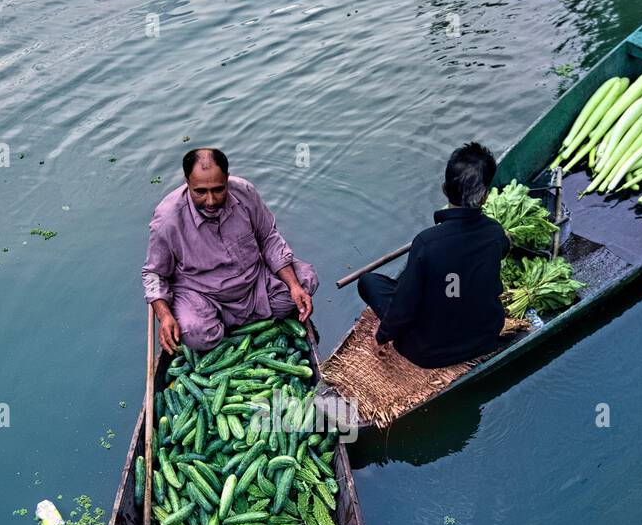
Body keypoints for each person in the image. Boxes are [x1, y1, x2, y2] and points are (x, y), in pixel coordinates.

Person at [142, 148, 318, 354]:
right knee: (195, 333)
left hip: (254, 285)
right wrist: (164, 316)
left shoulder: (245, 193)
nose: (210, 201)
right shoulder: (167, 220)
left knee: (307, 280)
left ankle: (234, 328)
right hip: (204, 296)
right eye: (200, 191)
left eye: (218, 189)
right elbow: (154, 274)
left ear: (227, 178)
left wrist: (294, 285)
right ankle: (241, 325)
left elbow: (269, 239)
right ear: (187, 182)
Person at [358, 142, 509, 368]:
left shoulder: (426, 243)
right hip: (485, 338)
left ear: (444, 189)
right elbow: (501, 248)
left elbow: (403, 308)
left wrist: (382, 336)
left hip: (428, 353)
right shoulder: (496, 234)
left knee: (369, 282)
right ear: (485, 196)